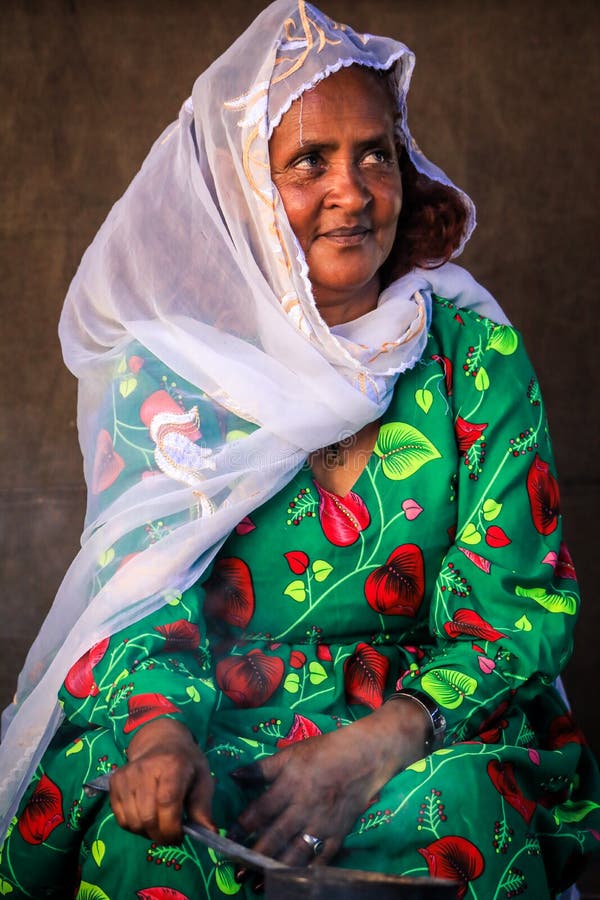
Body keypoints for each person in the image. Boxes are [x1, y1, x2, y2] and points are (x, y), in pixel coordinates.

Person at [0, 1, 598, 897]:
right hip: (211, 729)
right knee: (145, 846)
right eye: (308, 162)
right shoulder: (172, 377)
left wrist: (377, 744)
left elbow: (515, 609)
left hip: (417, 734)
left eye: (375, 155)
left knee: (470, 814)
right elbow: (138, 598)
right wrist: (162, 740)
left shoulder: (475, 358)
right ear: (242, 188)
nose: (352, 191)